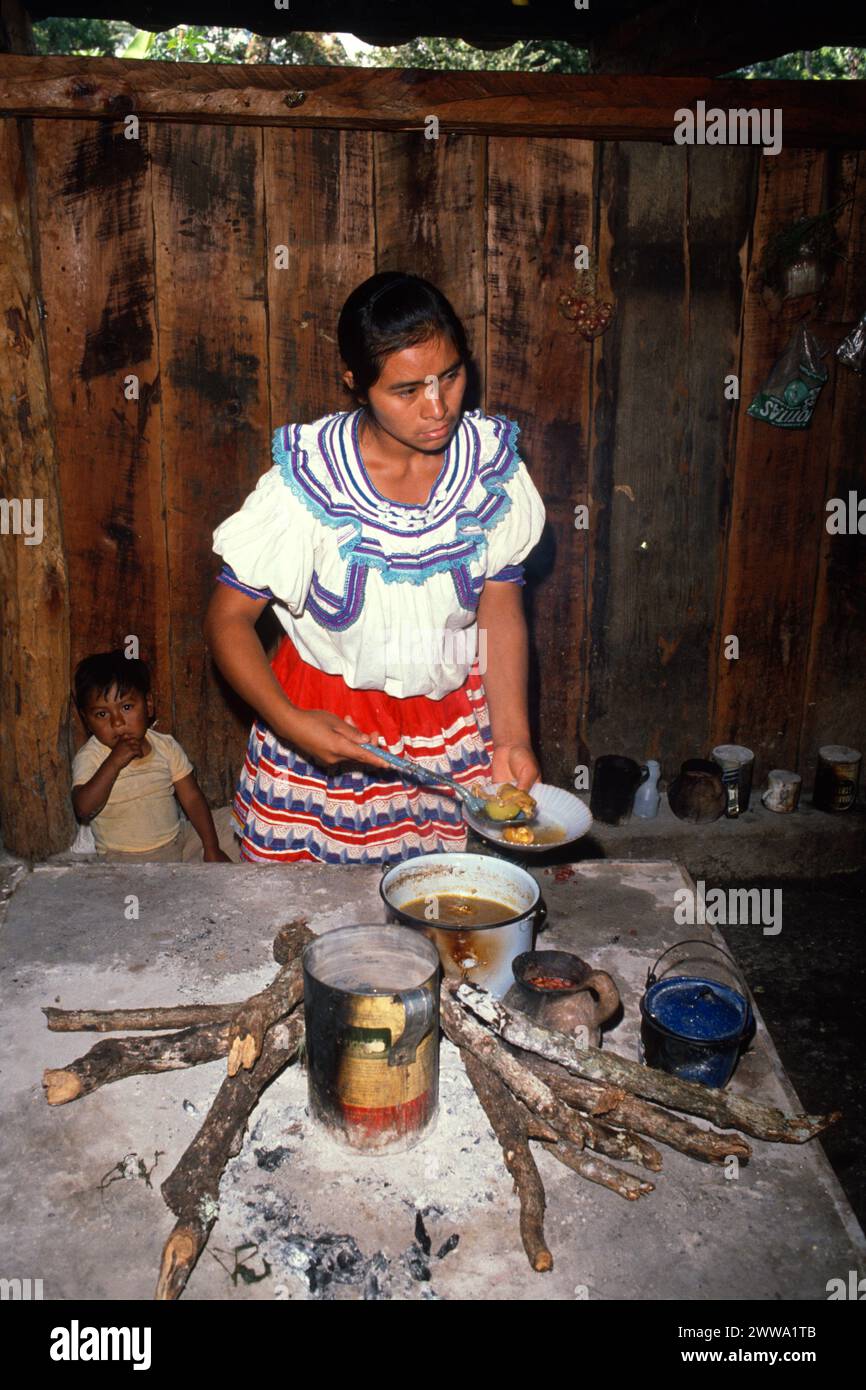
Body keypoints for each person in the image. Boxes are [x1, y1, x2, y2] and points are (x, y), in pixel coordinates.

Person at [204, 271, 546, 864]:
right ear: (357, 386)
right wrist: (288, 721)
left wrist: (513, 736)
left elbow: (500, 610)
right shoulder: (309, 485)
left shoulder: (489, 470)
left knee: (439, 899)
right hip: (327, 723)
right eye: (407, 390)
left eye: (451, 376)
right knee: (320, 919)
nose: (438, 408)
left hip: (449, 725)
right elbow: (227, 621)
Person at [71, 650, 239, 862]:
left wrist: (211, 846)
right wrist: (113, 763)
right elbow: (83, 808)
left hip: (178, 841)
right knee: (132, 887)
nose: (117, 722)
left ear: (148, 705)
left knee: (233, 823)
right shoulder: (91, 757)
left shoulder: (165, 746)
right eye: (102, 714)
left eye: (126, 707)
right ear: (87, 720)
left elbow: (192, 798)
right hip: (125, 858)